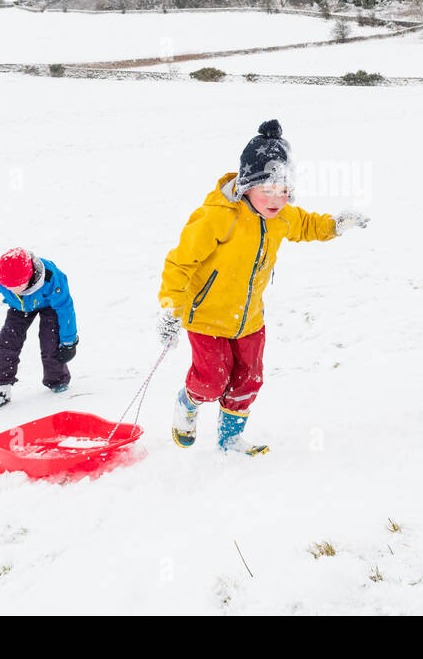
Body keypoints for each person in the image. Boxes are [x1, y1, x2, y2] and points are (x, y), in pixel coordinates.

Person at [157, 120, 368, 454]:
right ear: (245, 186)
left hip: (249, 318)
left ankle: (230, 439)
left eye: (283, 191)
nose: (276, 199)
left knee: (249, 379)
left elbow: (308, 224)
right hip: (206, 317)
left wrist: (336, 226)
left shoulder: (281, 217)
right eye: (267, 190)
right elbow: (180, 263)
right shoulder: (216, 217)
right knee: (212, 380)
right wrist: (171, 307)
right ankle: (189, 401)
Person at [0, 247, 79, 413]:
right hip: (18, 308)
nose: (12, 290)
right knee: (6, 345)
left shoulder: (51, 278)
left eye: (17, 286)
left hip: (50, 306)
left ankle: (57, 380)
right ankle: (1, 388)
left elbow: (65, 309)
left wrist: (69, 342)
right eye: (7, 287)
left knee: (51, 343)